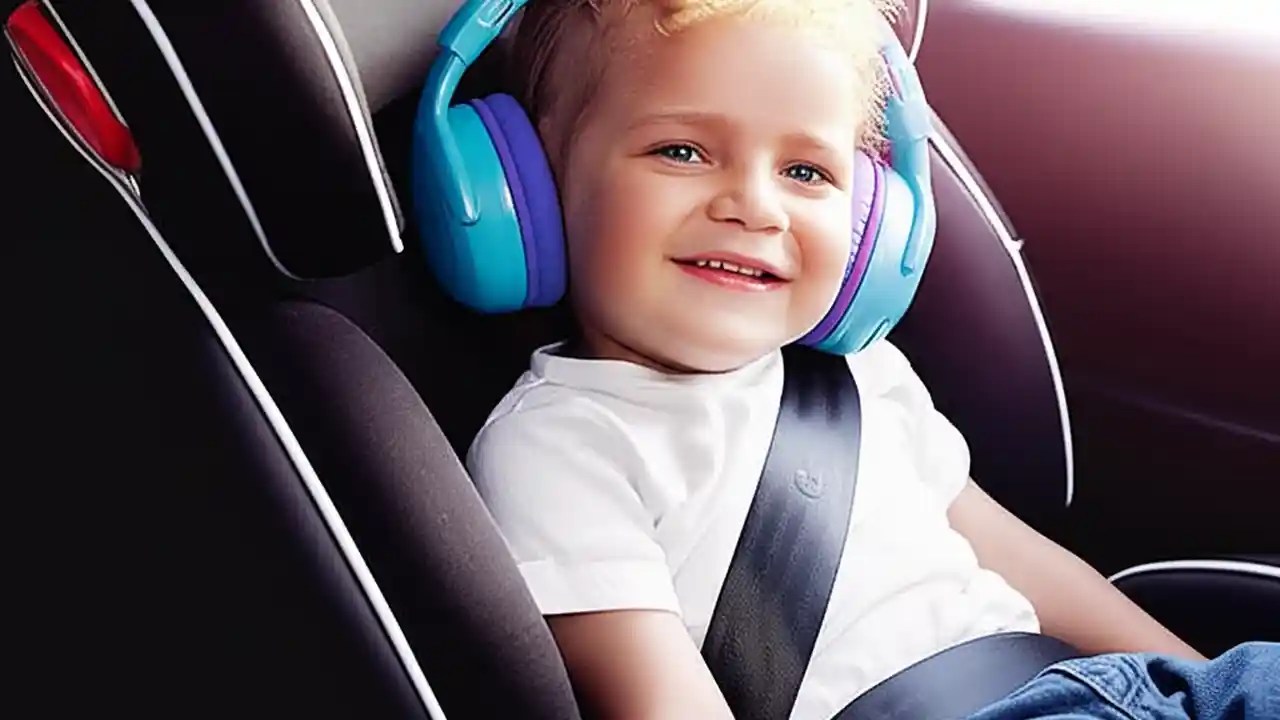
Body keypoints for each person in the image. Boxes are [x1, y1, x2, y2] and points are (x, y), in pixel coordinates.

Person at [463, 1, 1280, 717]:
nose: (753, 205)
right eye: (680, 151)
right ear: (532, 180)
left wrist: (1198, 681)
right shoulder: (560, 448)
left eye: (806, 171)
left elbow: (1028, 565)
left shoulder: (857, 372)